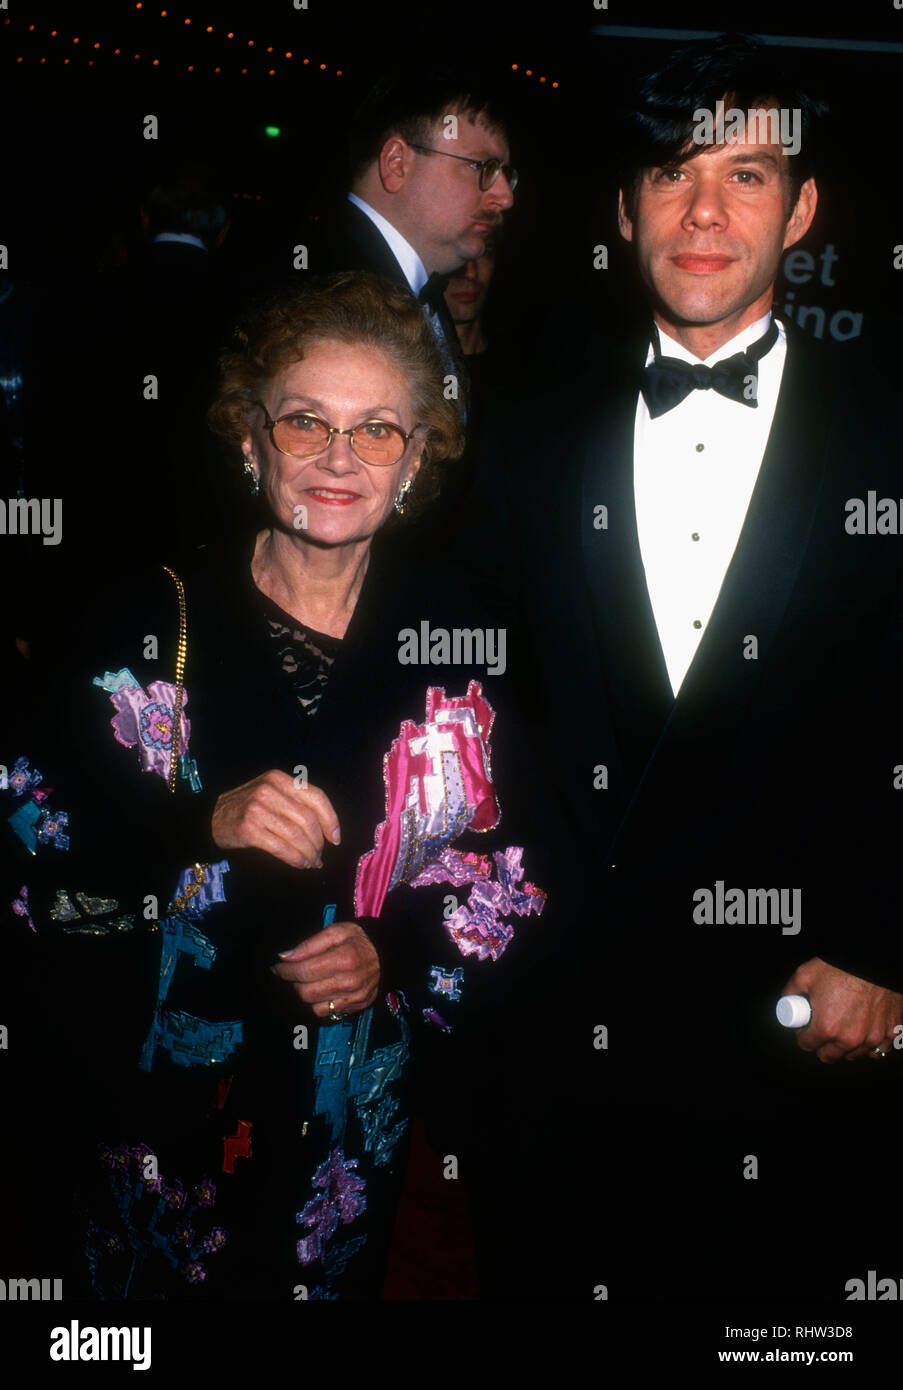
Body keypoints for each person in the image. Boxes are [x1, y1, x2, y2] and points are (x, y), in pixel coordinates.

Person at [455, 33, 903, 1299]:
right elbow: (465, 695)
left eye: (748, 175)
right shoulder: (526, 434)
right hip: (560, 1019)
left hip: (802, 1006)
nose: (705, 213)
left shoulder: (890, 427)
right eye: (672, 172)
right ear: (622, 206)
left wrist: (885, 935)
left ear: (803, 208)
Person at [2, 270, 548, 1300]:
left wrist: (396, 950)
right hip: (150, 1122)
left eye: (380, 431)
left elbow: (516, 877)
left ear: (420, 460)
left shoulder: (461, 639)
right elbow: (27, 852)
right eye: (306, 422)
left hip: (344, 1138)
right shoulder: (141, 625)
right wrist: (196, 821)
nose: (340, 459)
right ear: (250, 439)